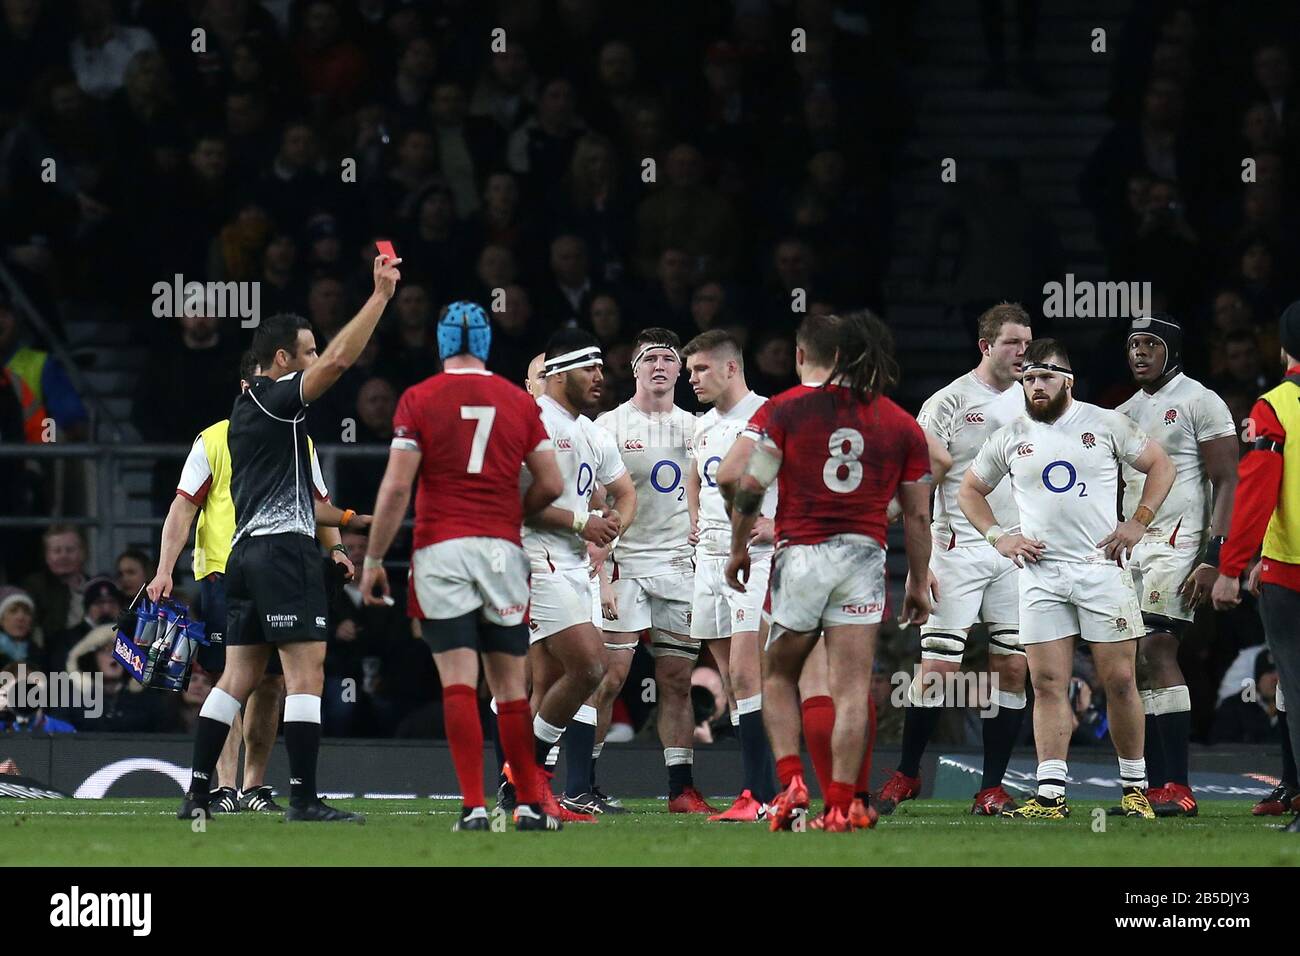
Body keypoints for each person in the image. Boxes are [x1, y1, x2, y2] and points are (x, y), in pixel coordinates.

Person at [175, 251, 401, 823]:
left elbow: (312, 502)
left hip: (246, 556)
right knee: (306, 675)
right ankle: (302, 798)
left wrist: (350, 523)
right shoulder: (276, 401)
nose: (316, 359)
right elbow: (344, 361)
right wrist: (378, 297)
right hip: (283, 554)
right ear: (282, 360)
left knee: (238, 677)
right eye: (307, 352)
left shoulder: (245, 412)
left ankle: (198, 793)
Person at [718, 310, 936, 832]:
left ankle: (792, 782)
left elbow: (747, 484)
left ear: (802, 356)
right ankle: (842, 806)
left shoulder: (787, 409)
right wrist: (919, 578)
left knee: (778, 675)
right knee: (852, 687)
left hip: (802, 556)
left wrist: (737, 548)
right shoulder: (898, 420)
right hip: (865, 557)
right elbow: (919, 513)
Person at [358, 301, 567, 831]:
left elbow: (398, 486)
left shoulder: (419, 398)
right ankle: (525, 805)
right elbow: (552, 483)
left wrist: (377, 557)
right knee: (510, 687)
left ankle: (474, 807)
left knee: (457, 682)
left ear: (443, 343)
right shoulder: (519, 402)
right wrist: (507, 512)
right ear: (489, 345)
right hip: (500, 550)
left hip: (440, 549)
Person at [958, 338, 1175, 820]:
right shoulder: (1010, 434)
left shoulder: (1105, 422)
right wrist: (999, 537)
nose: (1036, 386)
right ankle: (1051, 795)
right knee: (1049, 683)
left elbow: (1162, 464)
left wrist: (1138, 521)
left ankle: (1135, 789)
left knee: (1120, 680)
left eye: (1046, 377)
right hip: (1040, 575)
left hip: (1100, 570)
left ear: (1068, 381)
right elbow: (969, 489)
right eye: (1029, 378)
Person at [149, 351, 367, 813]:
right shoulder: (213, 439)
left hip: (263, 566)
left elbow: (316, 501)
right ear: (249, 386)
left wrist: (340, 547)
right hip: (224, 570)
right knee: (229, 678)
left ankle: (252, 786)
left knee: (266, 683)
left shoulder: (296, 438)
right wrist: (165, 568)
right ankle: (223, 786)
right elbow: (182, 508)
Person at [878, 302, 1032, 817]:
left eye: (1027, 344)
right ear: (986, 346)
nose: (1022, 353)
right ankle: (907, 771)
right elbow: (925, 473)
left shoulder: (1038, 399)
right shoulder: (946, 402)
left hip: (1017, 551)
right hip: (958, 549)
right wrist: (896, 514)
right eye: (1013, 343)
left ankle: (992, 787)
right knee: (937, 670)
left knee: (1011, 667)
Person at [510, 329, 634, 820]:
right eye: (591, 369)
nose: (601, 378)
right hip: (535, 556)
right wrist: (587, 522)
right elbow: (522, 502)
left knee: (551, 684)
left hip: (575, 562)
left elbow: (624, 492)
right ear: (559, 374)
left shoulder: (592, 431)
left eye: (602, 368)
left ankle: (526, 791)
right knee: (590, 667)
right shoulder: (533, 420)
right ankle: (525, 781)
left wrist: (612, 529)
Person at [1116, 314, 1238, 817]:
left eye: (1150, 344)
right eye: (1133, 345)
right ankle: (1149, 785)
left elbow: (1228, 479)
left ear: (1172, 350)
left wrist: (1215, 556)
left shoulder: (1200, 400)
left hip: (1180, 542)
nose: (1140, 353)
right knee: (1133, 663)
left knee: (1158, 650)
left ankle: (1178, 785)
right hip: (1133, 548)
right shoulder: (1120, 413)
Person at [592, 327, 715, 813]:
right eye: (650, 359)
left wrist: (703, 529)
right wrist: (600, 563)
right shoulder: (608, 427)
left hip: (681, 568)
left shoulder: (699, 427)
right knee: (608, 676)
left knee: (677, 678)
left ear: (680, 370)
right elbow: (593, 499)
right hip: (624, 564)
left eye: (669, 358)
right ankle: (585, 781)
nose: (660, 366)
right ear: (635, 367)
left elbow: (714, 491)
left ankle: (680, 788)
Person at [682, 329, 777, 821]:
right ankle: (758, 792)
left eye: (700, 369)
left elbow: (805, 478)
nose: (691, 378)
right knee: (734, 682)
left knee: (747, 672)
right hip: (710, 559)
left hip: (756, 558)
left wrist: (780, 525)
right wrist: (695, 516)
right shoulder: (702, 427)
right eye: (689, 370)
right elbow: (696, 472)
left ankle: (762, 793)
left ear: (731, 368)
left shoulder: (769, 415)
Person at [1212, 300, 1300, 834]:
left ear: (1285, 347)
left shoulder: (1274, 407)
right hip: (1282, 568)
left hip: (1289, 572)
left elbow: (1257, 490)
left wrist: (1231, 565)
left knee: (1296, 682)